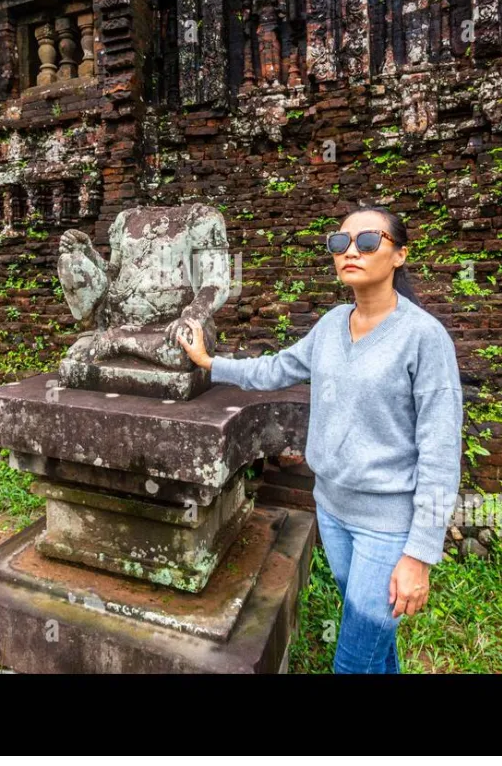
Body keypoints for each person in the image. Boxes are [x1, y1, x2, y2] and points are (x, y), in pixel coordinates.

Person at [177, 205, 464, 674]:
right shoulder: (332, 324)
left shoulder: (423, 338)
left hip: (387, 526)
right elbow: (276, 369)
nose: (351, 251)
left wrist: (419, 555)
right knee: (373, 642)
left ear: (399, 256)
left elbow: (440, 452)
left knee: (352, 662)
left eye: (368, 242)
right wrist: (211, 364)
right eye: (340, 243)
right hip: (331, 511)